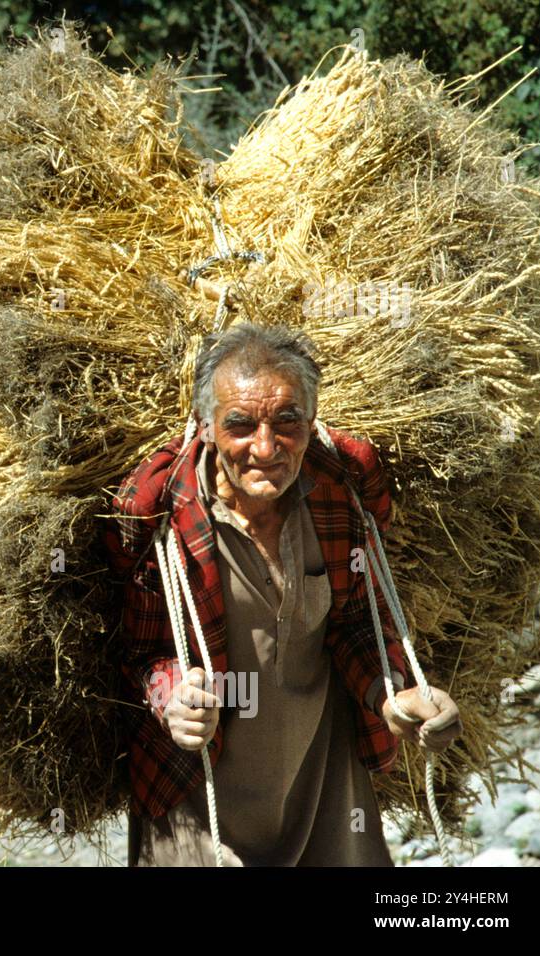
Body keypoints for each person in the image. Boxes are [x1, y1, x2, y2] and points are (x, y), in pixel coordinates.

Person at [103, 321, 462, 866]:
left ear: (312, 422)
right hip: (197, 794)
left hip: (325, 786)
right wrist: (172, 697)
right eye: (240, 424)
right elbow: (139, 653)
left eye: (287, 422)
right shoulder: (164, 521)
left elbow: (354, 622)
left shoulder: (338, 494)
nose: (266, 448)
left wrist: (393, 695)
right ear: (206, 426)